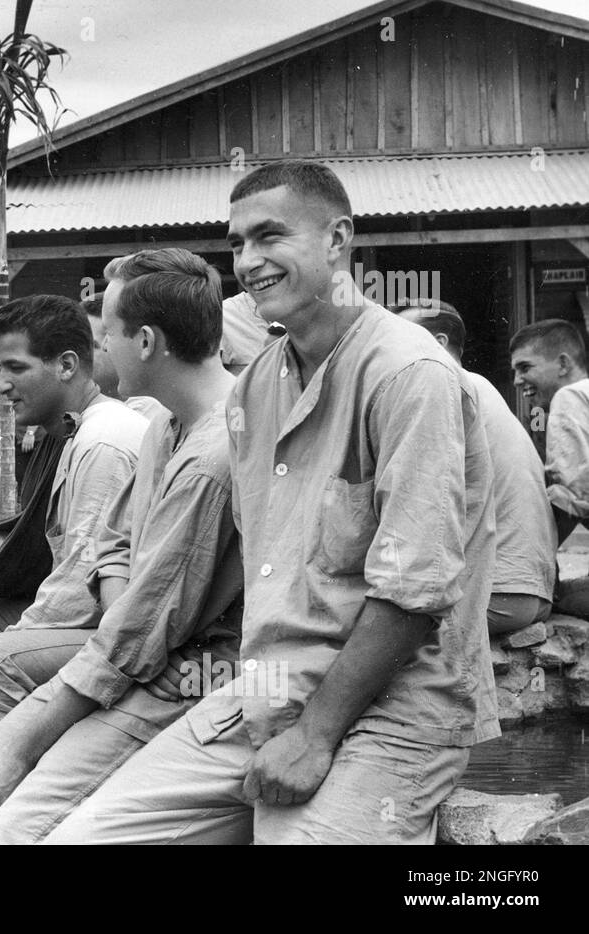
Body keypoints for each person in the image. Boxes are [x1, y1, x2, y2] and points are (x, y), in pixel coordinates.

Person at [46, 159, 496, 844]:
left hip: (395, 706)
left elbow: (413, 598)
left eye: (270, 236)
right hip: (265, 687)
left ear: (338, 241)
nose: (249, 261)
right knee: (79, 838)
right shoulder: (256, 386)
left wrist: (313, 736)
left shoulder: (410, 374)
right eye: (236, 244)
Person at [0, 248, 244, 844]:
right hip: (147, 657)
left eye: (106, 333)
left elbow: (142, 628)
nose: (100, 350)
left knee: (3, 818)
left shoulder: (209, 455)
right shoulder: (166, 426)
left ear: (144, 342)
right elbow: (126, 571)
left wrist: (22, 748)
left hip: (190, 675)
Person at [0, 295, 149, 750]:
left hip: (122, 631)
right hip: (93, 613)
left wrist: (16, 637)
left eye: (16, 368)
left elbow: (79, 588)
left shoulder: (101, 442)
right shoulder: (72, 431)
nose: (2, 385)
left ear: (66, 365)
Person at [397, 300, 556, 634]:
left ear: (439, 343)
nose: (391, 349)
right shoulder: (477, 385)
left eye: (402, 336)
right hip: (526, 592)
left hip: (496, 595)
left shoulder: (447, 386)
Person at [510, 319, 589, 541]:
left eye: (525, 367)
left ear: (563, 364)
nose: (517, 381)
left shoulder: (569, 396)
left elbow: (571, 496)